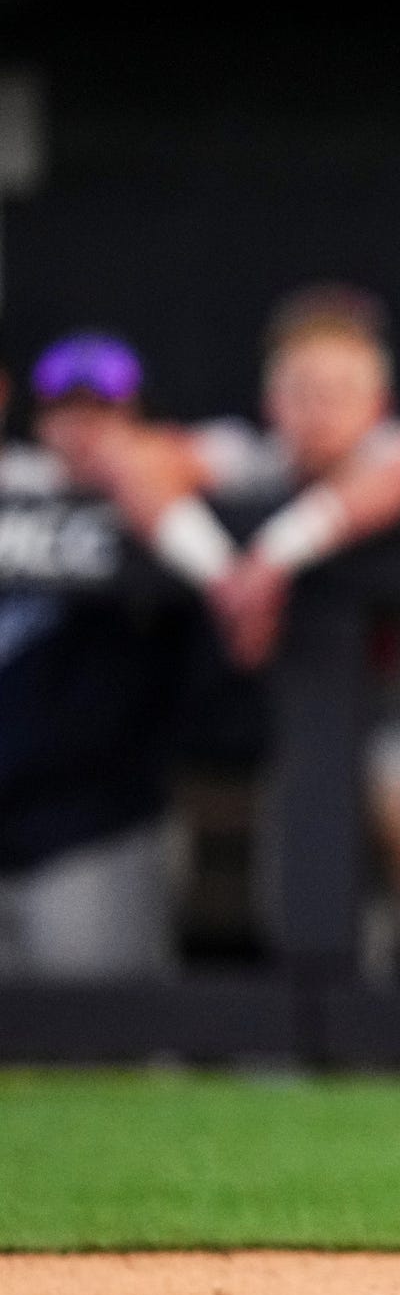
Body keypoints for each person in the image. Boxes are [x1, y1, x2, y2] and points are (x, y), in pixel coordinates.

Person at [94, 289, 400, 985]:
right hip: (311, 756)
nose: (320, 409)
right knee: (302, 861)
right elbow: (127, 461)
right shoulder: (255, 458)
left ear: (377, 404)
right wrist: (222, 572)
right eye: (302, 389)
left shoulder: (398, 452)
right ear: (271, 401)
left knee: (389, 782)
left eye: (341, 390)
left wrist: (276, 555)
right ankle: (321, 1040)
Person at [0, 335, 189, 980]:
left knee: (100, 1040)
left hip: (94, 829)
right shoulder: (19, 489)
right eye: (65, 413)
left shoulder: (173, 506)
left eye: (101, 415)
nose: (81, 432)